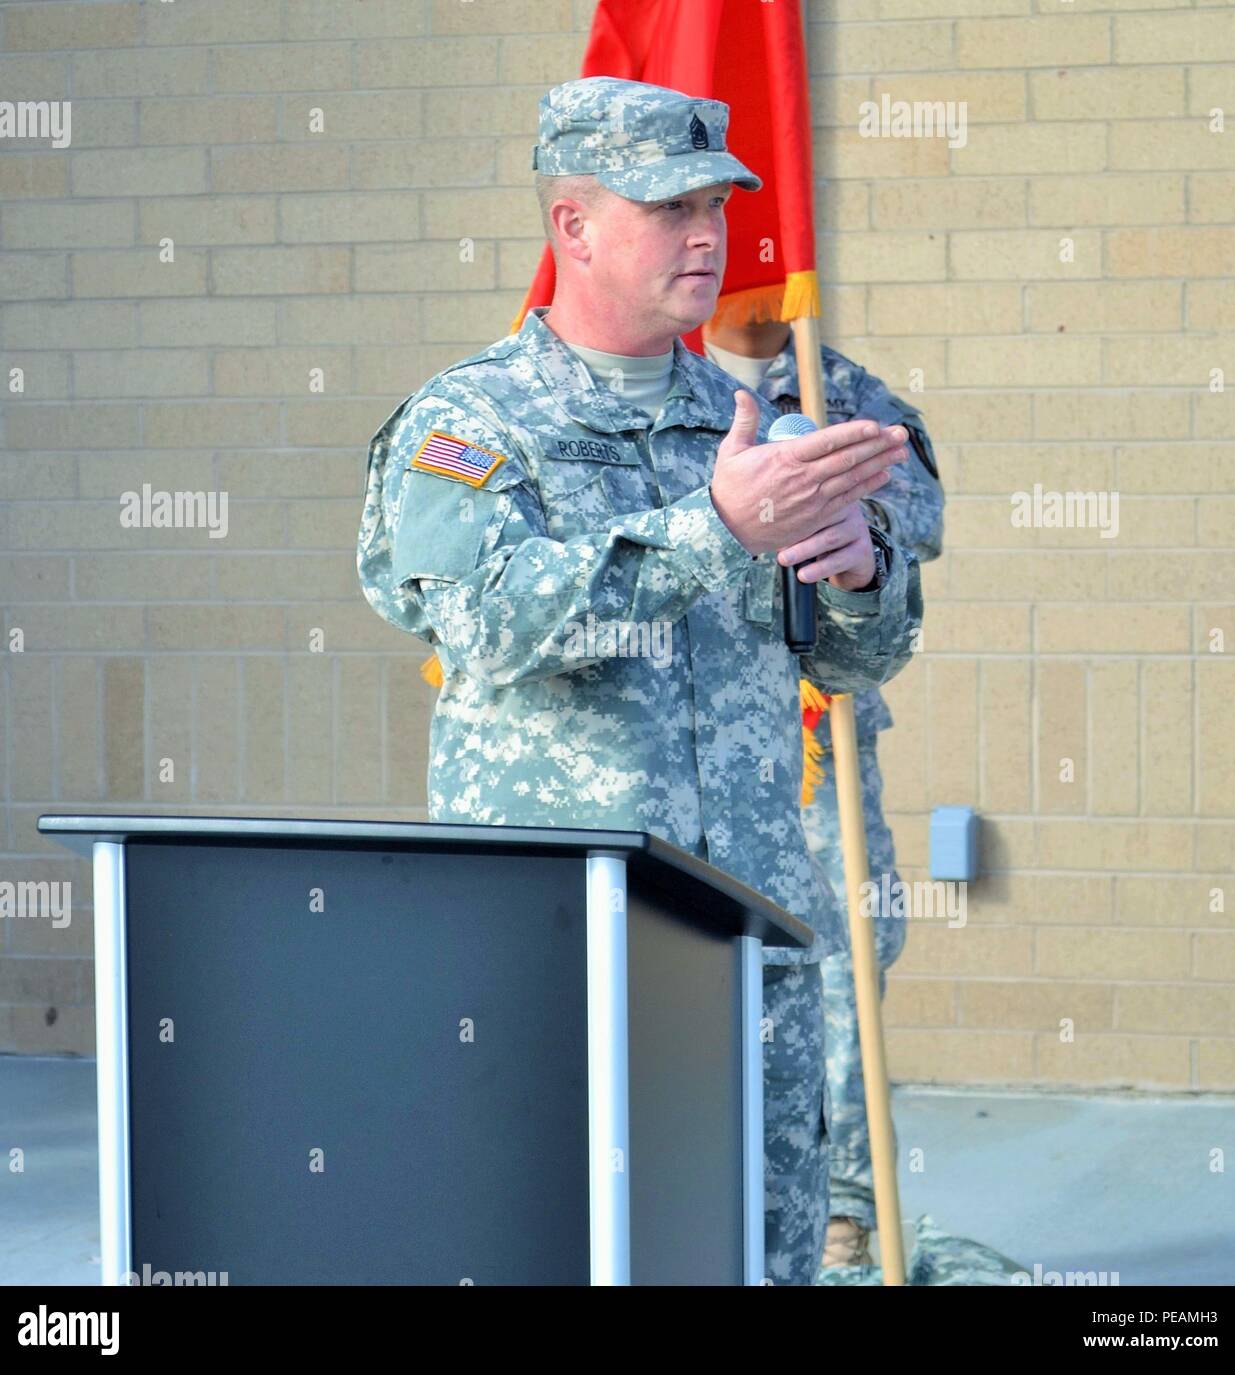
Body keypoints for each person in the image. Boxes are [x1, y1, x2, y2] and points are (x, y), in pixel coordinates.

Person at [356, 75, 923, 1285]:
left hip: (748, 945)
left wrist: (861, 572)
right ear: (573, 227)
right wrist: (718, 525)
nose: (708, 235)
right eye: (669, 208)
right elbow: (485, 622)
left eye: (715, 204)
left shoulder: (751, 420)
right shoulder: (472, 424)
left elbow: (853, 658)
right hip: (561, 950)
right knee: (561, 1251)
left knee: (757, 1258)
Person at [703, 313, 944, 1267]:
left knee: (846, 951)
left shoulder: (845, 392)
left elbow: (922, 519)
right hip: (696, 736)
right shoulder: (658, 388)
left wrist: (843, 514)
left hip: (820, 734)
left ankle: (844, 1206)